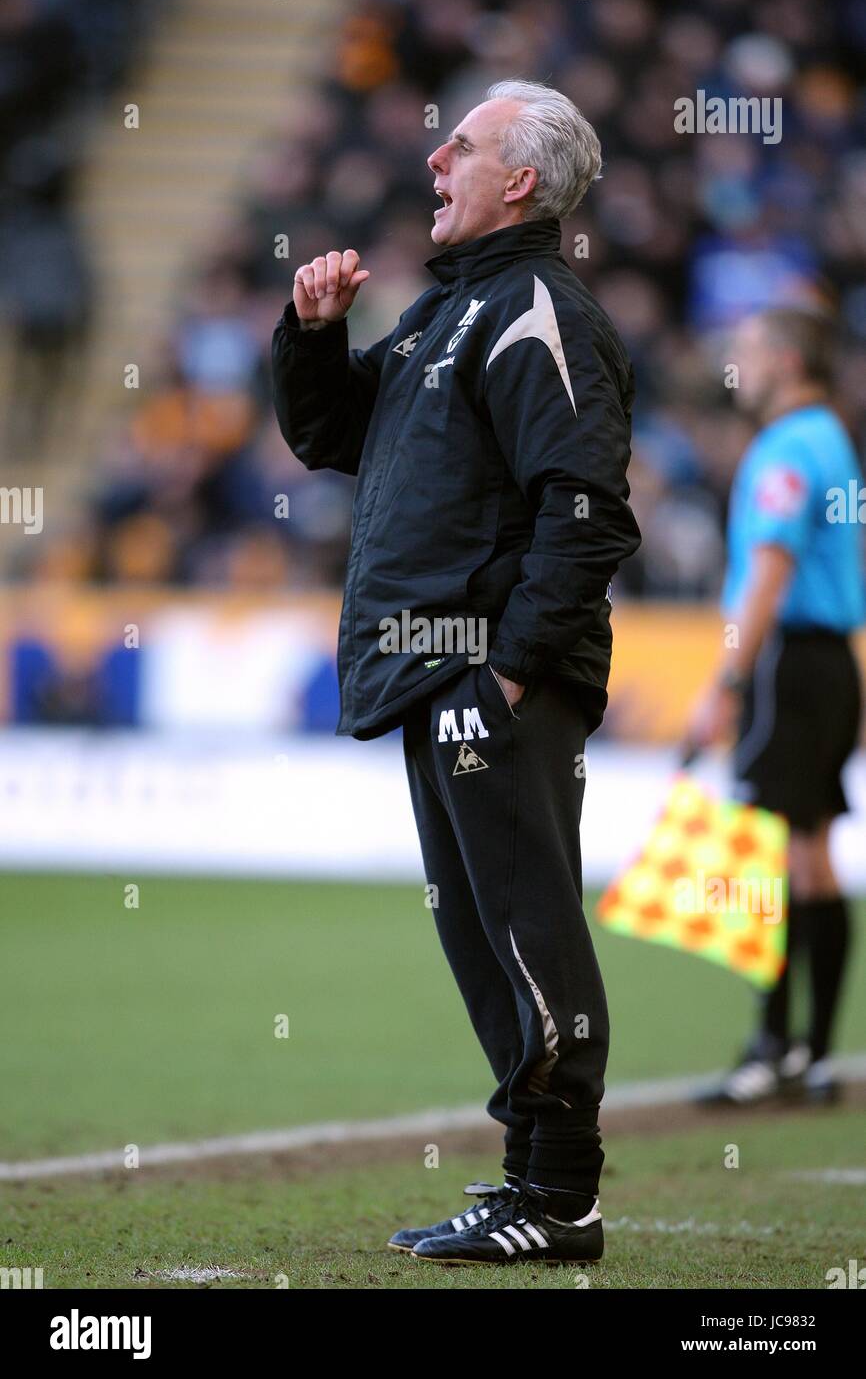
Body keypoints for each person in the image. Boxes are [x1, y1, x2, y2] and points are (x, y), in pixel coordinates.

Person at [272, 79, 640, 1265]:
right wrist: (314, 335)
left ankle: (560, 1195)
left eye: (462, 145)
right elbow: (332, 436)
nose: (434, 157)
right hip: (439, 677)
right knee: (487, 946)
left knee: (528, 931)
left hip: (489, 680)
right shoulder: (449, 314)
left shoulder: (538, 306)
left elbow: (582, 513)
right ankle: (531, 1182)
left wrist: (512, 675)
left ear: (518, 179)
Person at [688, 307, 864, 1108]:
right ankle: (814, 1054)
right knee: (813, 855)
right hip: (831, 661)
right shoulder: (834, 440)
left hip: (788, 663)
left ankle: (770, 1049)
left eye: (750, 350)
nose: (738, 364)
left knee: (769, 852)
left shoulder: (788, 448)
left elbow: (768, 569)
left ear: (788, 360)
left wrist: (727, 680)